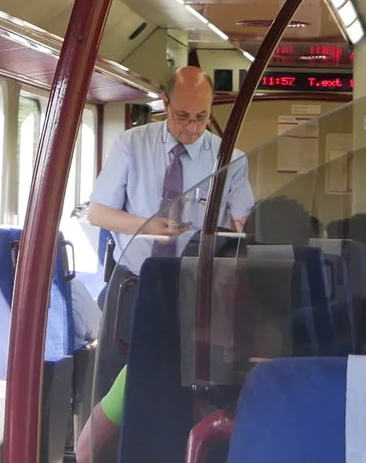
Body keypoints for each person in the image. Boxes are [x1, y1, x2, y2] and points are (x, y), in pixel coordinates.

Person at [82, 66, 254, 380]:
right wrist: (147, 226)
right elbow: (97, 213)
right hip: (134, 282)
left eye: (201, 117)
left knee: (186, 381)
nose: (191, 127)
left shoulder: (230, 158)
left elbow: (244, 223)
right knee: (115, 382)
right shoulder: (131, 145)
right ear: (165, 102)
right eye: (182, 115)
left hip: (197, 286)